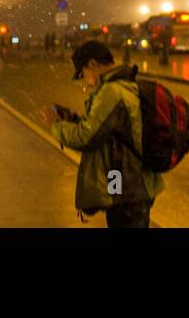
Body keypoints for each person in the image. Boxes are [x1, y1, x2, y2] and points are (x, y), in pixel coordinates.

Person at [41, 38, 164, 228]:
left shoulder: (111, 92)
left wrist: (56, 125)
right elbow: (104, 129)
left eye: (84, 74)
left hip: (128, 189)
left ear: (92, 64)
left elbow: (87, 137)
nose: (86, 81)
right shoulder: (122, 84)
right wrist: (71, 119)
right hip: (130, 185)